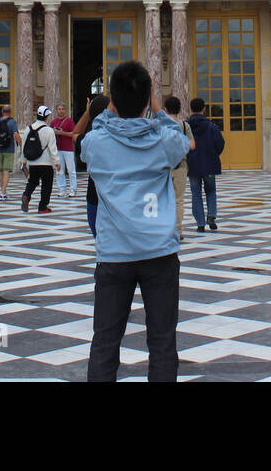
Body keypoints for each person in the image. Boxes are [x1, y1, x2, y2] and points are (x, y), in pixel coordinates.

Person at [82, 61, 190, 382]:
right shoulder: (162, 141)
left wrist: (108, 107)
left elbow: (94, 131)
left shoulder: (97, 144)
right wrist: (156, 106)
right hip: (159, 252)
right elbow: (177, 137)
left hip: (115, 255)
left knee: (105, 342)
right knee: (162, 342)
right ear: (147, 98)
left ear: (111, 100)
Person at [185, 98, 224, 233]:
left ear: (191, 109)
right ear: (204, 109)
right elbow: (220, 144)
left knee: (196, 193)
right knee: (211, 190)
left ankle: (200, 223)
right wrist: (214, 154)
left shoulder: (186, 126)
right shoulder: (211, 126)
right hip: (209, 164)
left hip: (192, 165)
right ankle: (211, 215)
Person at [75, 93, 109, 236]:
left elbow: (75, 133)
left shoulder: (91, 140)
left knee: (100, 241)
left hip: (94, 196)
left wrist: (87, 113)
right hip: (115, 197)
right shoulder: (121, 136)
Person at [162, 96, 195, 239]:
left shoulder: (160, 125)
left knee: (164, 199)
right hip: (180, 166)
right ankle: (178, 230)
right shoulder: (184, 125)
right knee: (179, 200)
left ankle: (165, 229)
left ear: (165, 109)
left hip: (163, 167)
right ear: (180, 109)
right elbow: (192, 145)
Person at [20, 105, 60, 214]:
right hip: (46, 163)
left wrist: (23, 161)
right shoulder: (49, 130)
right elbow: (53, 148)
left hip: (33, 162)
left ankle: (26, 196)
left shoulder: (28, 129)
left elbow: (24, 146)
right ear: (46, 117)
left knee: (32, 182)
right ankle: (42, 207)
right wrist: (57, 162)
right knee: (47, 185)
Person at [0, 105, 22, 201]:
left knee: (1, 170)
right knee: (6, 171)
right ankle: (3, 193)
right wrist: (21, 145)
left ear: (2, 111)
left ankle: (3, 190)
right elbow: (16, 134)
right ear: (10, 112)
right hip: (8, 148)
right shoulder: (12, 122)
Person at [50, 103, 78, 197]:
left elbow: (73, 133)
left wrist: (62, 133)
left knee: (71, 170)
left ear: (65, 110)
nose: (61, 111)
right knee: (59, 170)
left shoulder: (69, 121)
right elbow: (49, 135)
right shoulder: (53, 122)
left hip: (68, 148)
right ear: (56, 110)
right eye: (59, 109)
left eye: (62, 109)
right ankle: (62, 189)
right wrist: (54, 132)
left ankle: (73, 189)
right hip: (58, 148)